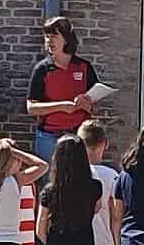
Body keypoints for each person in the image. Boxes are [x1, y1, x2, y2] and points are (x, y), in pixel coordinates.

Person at [24, 15, 100, 160]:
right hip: (49, 137)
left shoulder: (84, 67)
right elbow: (31, 108)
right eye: (47, 37)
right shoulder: (42, 69)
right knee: (48, 175)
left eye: (54, 36)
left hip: (79, 137)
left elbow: (96, 108)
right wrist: (62, 106)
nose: (49, 41)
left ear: (66, 39)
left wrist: (86, 105)